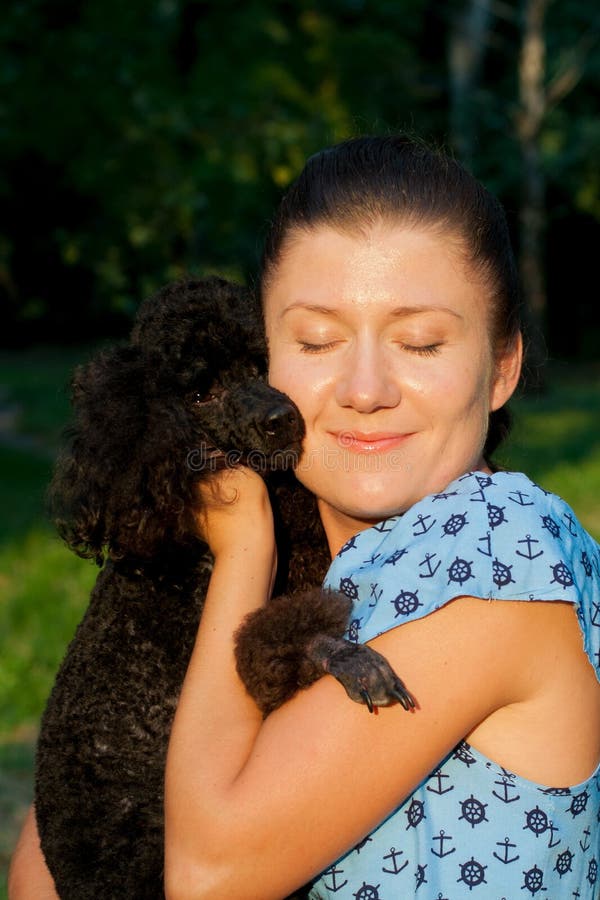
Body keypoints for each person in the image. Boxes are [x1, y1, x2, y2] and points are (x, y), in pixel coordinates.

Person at [9, 134, 600, 899]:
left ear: (503, 368)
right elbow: (46, 862)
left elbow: (209, 875)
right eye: (316, 339)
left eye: (420, 343)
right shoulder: (338, 552)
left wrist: (243, 551)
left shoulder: (498, 557)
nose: (364, 388)